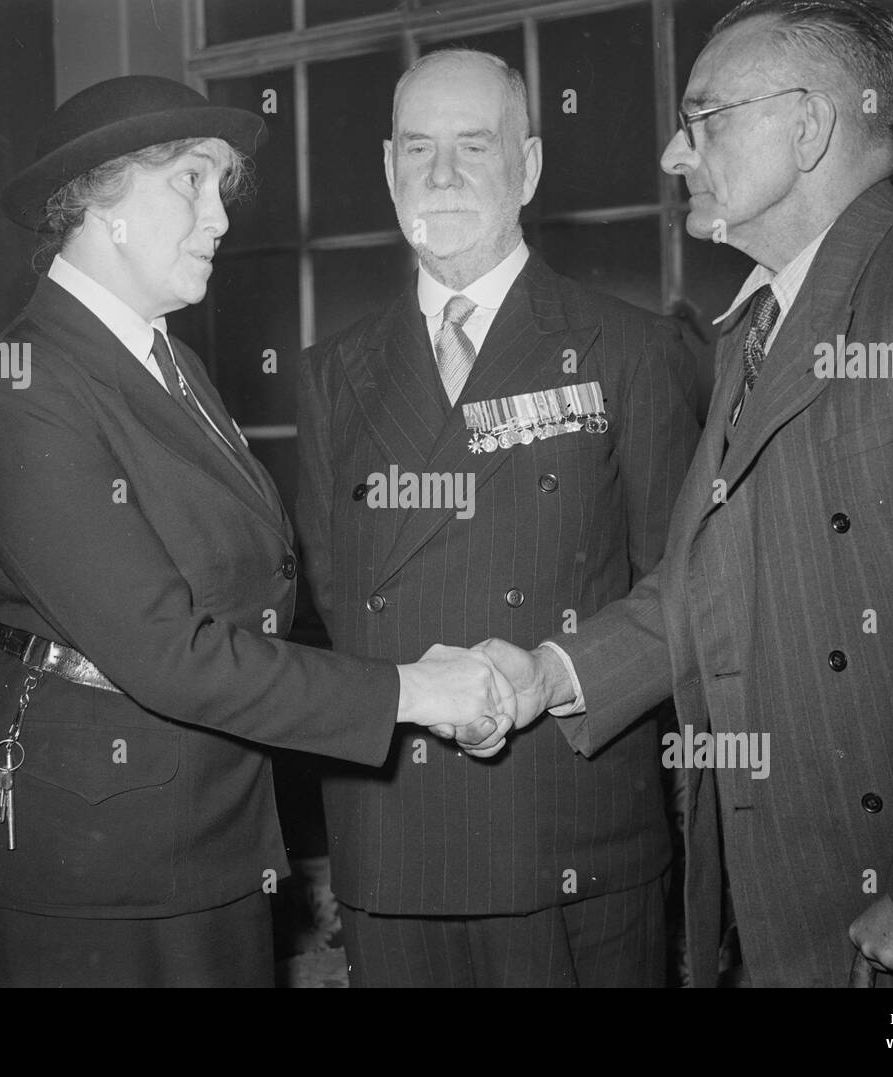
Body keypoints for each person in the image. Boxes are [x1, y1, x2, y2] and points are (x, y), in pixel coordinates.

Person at [480, 0, 893, 987]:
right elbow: (703, 584)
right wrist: (551, 673)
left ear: (806, 128)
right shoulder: (751, 330)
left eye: (702, 118)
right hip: (781, 878)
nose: (673, 154)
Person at [0, 75, 513, 988]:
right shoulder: (23, 386)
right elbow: (168, 650)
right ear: (95, 194)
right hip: (87, 860)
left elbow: (257, 580)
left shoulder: (171, 362)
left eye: (220, 189)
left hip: (206, 824)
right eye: (190, 184)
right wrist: (406, 691)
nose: (220, 220)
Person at [296, 49, 700, 987]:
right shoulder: (330, 373)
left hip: (568, 830)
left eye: (473, 146)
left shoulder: (627, 350)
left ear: (529, 165)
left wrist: (553, 678)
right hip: (393, 843)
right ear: (387, 167)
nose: (440, 176)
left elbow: (686, 587)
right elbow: (334, 593)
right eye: (418, 148)